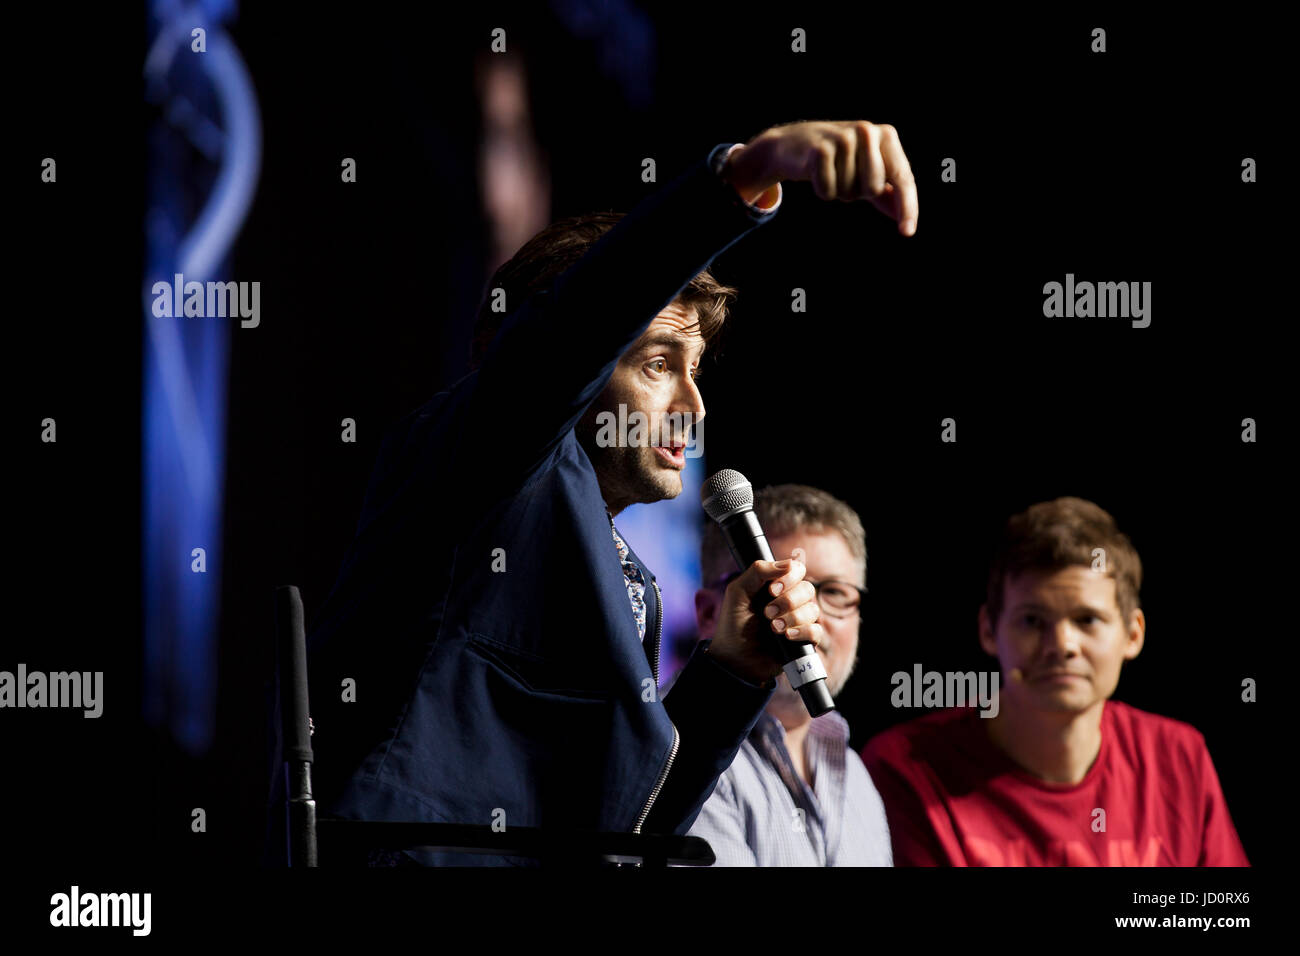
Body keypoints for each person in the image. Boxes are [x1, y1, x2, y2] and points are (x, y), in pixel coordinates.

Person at [304, 121, 921, 865]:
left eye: (697, 369)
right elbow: (570, 330)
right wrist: (734, 182)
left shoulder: (628, 577)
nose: (694, 408)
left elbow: (624, 834)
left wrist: (730, 672)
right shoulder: (480, 459)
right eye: (659, 363)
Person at [861, 497, 1250, 866]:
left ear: (1133, 634)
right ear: (988, 631)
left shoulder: (1179, 757)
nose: (1062, 645)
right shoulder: (905, 769)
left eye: (1087, 620)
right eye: (1032, 620)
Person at [686, 484, 892, 866]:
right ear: (709, 614)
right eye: (776, 590)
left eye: (832, 591)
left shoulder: (859, 777)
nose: (806, 612)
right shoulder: (677, 757)